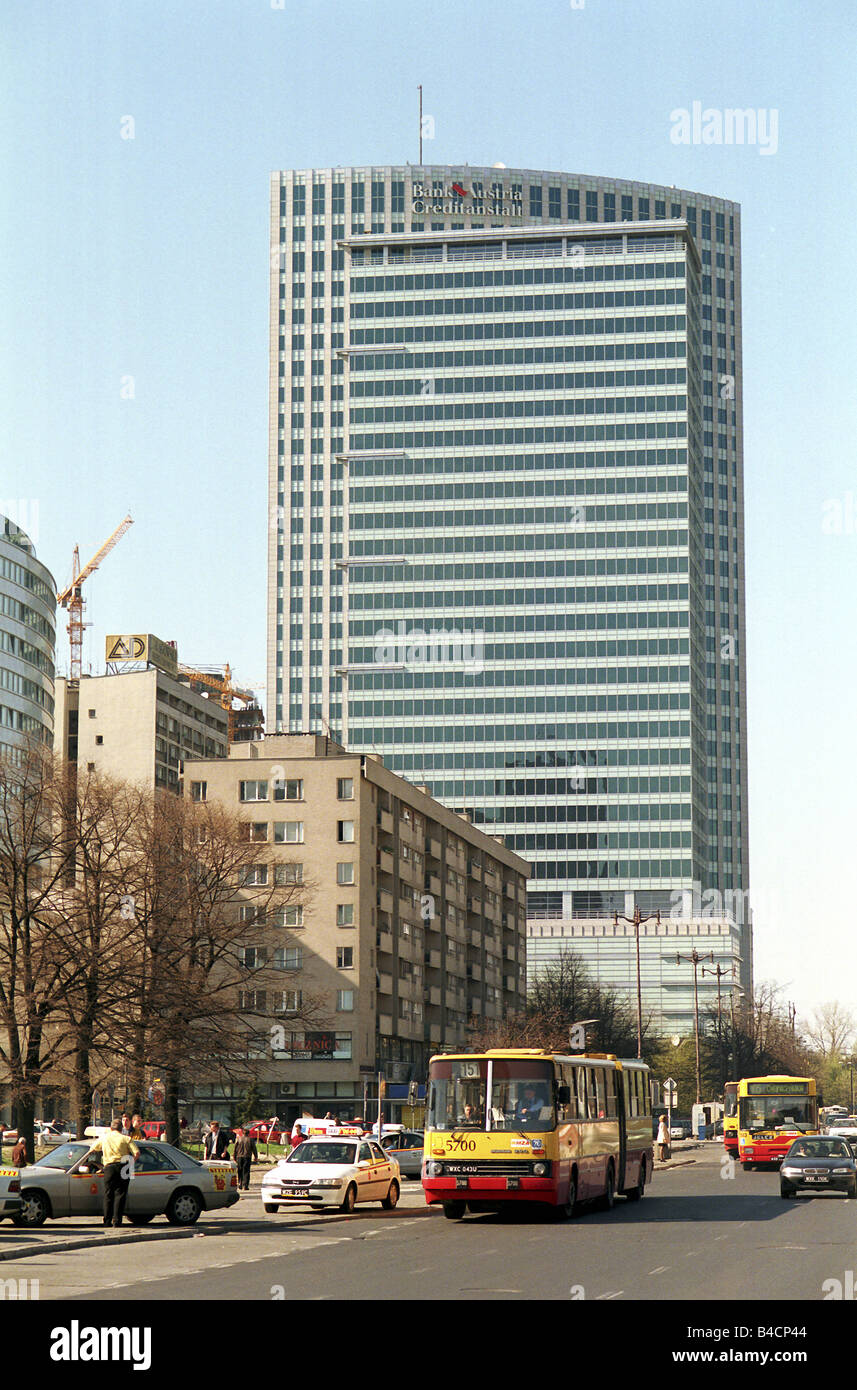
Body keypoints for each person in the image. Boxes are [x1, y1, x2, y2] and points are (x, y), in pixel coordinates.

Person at [88, 1119, 140, 1227]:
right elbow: (137, 1153)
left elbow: (92, 1149)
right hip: (123, 1166)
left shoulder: (104, 1138)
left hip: (109, 1167)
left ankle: (106, 1221)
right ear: (121, 1129)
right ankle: (117, 1221)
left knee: (108, 1194)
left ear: (111, 1128)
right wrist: (130, 1163)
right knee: (120, 1194)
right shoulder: (126, 1138)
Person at [232, 1126, 258, 1190]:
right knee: (246, 1171)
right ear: (248, 1133)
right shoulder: (250, 1140)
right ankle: (245, 1185)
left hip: (239, 1157)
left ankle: (240, 1184)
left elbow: (235, 1149)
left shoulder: (238, 1139)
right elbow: (254, 1149)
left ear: (242, 1133)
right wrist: (256, 1156)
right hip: (247, 1157)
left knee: (239, 1170)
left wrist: (234, 1157)